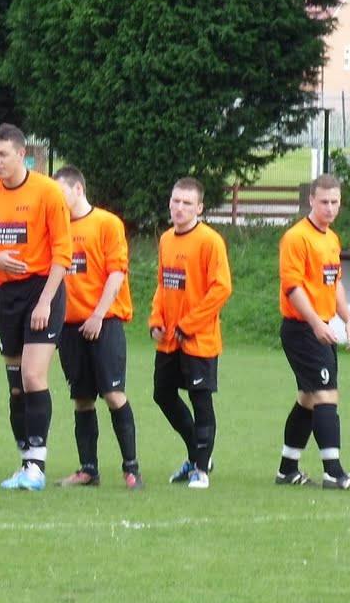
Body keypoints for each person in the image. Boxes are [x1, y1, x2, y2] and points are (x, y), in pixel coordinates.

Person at [0, 124, 71, 490]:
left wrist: (45, 301)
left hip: (43, 289)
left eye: (3, 155)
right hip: (7, 294)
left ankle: (36, 468)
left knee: (32, 377)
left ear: (21, 155)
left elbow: (63, 254)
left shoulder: (47, 192)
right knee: (15, 386)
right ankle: (25, 461)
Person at [52, 166, 143, 490]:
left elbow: (116, 273)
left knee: (114, 394)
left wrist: (98, 315)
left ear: (78, 189)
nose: (56, 199)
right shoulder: (57, 227)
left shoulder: (106, 223)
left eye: (60, 191)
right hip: (68, 326)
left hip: (104, 323)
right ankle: (88, 469)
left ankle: (131, 469)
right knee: (81, 399)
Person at [275, 173, 350, 489]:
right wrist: (316, 323)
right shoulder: (296, 238)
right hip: (302, 328)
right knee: (326, 396)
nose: (329, 208)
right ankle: (334, 472)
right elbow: (292, 287)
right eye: (324, 201)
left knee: (309, 398)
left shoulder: (331, 239)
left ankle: (287, 469)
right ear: (311, 200)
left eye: (335, 202)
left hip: (320, 327)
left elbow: (334, 281)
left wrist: (348, 319)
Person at [148, 177, 232, 490]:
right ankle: (198, 455)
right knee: (162, 394)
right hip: (169, 338)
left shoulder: (210, 241)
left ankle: (200, 469)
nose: (180, 207)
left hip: (198, 339)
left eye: (187, 203)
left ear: (199, 207)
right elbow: (163, 283)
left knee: (201, 400)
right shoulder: (167, 238)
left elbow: (221, 289)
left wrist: (189, 324)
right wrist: (156, 319)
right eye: (176, 201)